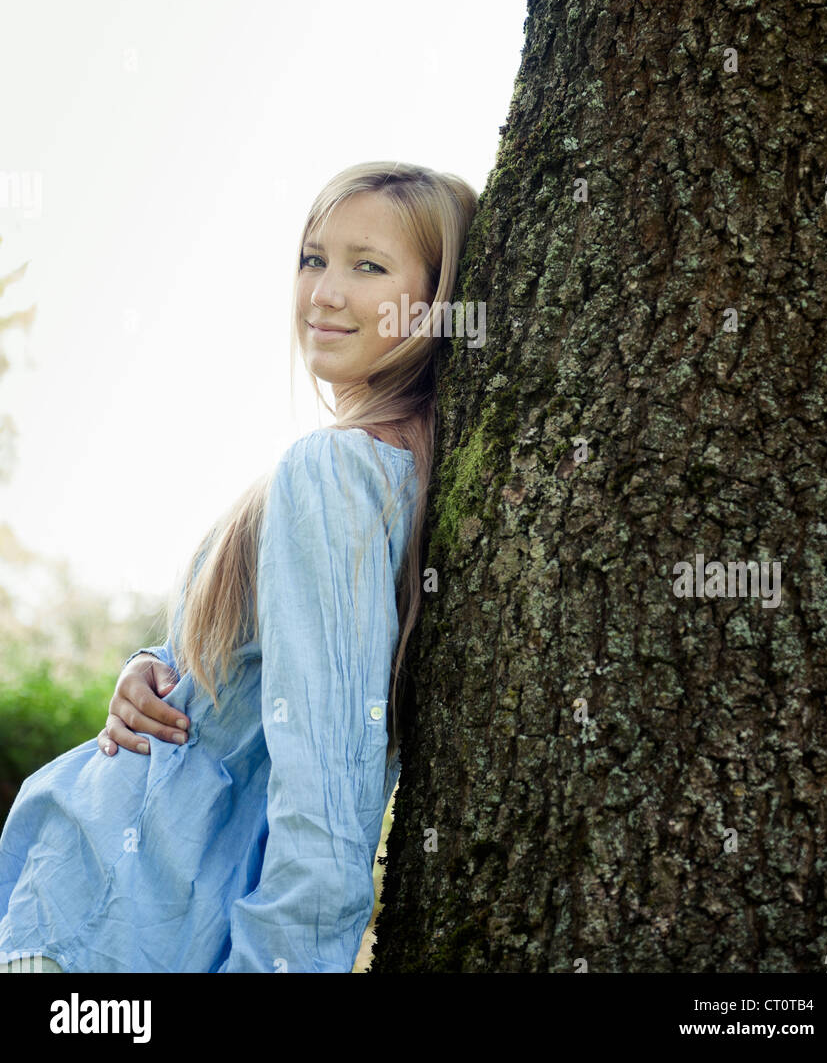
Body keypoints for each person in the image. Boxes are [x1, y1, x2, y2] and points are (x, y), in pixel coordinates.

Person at [0, 160, 478, 973]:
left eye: (368, 266)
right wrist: (155, 671)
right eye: (313, 258)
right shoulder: (376, 472)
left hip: (116, 934)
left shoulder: (335, 474)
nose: (324, 292)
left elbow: (329, 791)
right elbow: (250, 689)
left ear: (436, 299)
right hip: (93, 911)